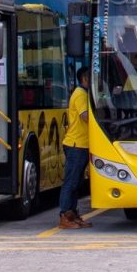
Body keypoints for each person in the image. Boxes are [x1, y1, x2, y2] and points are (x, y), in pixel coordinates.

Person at [58, 67, 93, 230]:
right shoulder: (80, 94)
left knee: (77, 182)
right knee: (70, 182)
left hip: (83, 144)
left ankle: (73, 214)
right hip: (75, 144)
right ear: (85, 79)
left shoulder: (84, 94)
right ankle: (64, 215)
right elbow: (85, 116)